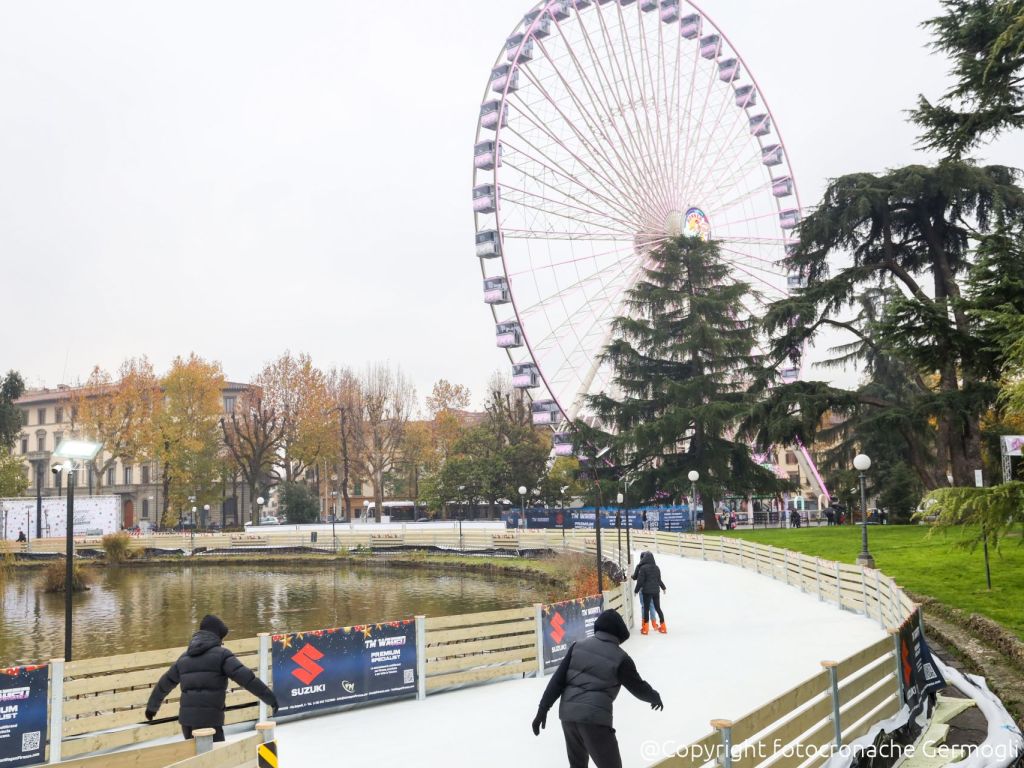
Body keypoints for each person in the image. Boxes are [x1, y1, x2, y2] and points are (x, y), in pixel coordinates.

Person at [531, 609, 662, 768]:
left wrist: (542, 710)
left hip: (568, 717)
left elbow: (557, 681)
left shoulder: (577, 646)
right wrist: (654, 697)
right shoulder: (621, 658)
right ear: (619, 634)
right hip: (594, 719)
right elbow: (638, 687)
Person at [146, 615, 278, 742]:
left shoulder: (184, 657)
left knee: (196, 760)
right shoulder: (222, 655)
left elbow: (164, 684)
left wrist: (152, 707)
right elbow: (247, 680)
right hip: (210, 722)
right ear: (216, 636)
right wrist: (270, 699)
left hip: (187, 722)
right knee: (215, 760)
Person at [632, 551, 667, 634]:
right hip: (656, 592)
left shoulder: (643, 568)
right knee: (658, 608)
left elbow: (640, 581)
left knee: (646, 609)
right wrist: (663, 588)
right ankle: (663, 627)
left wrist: (636, 590)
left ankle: (645, 629)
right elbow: (659, 580)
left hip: (646, 592)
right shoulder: (656, 567)